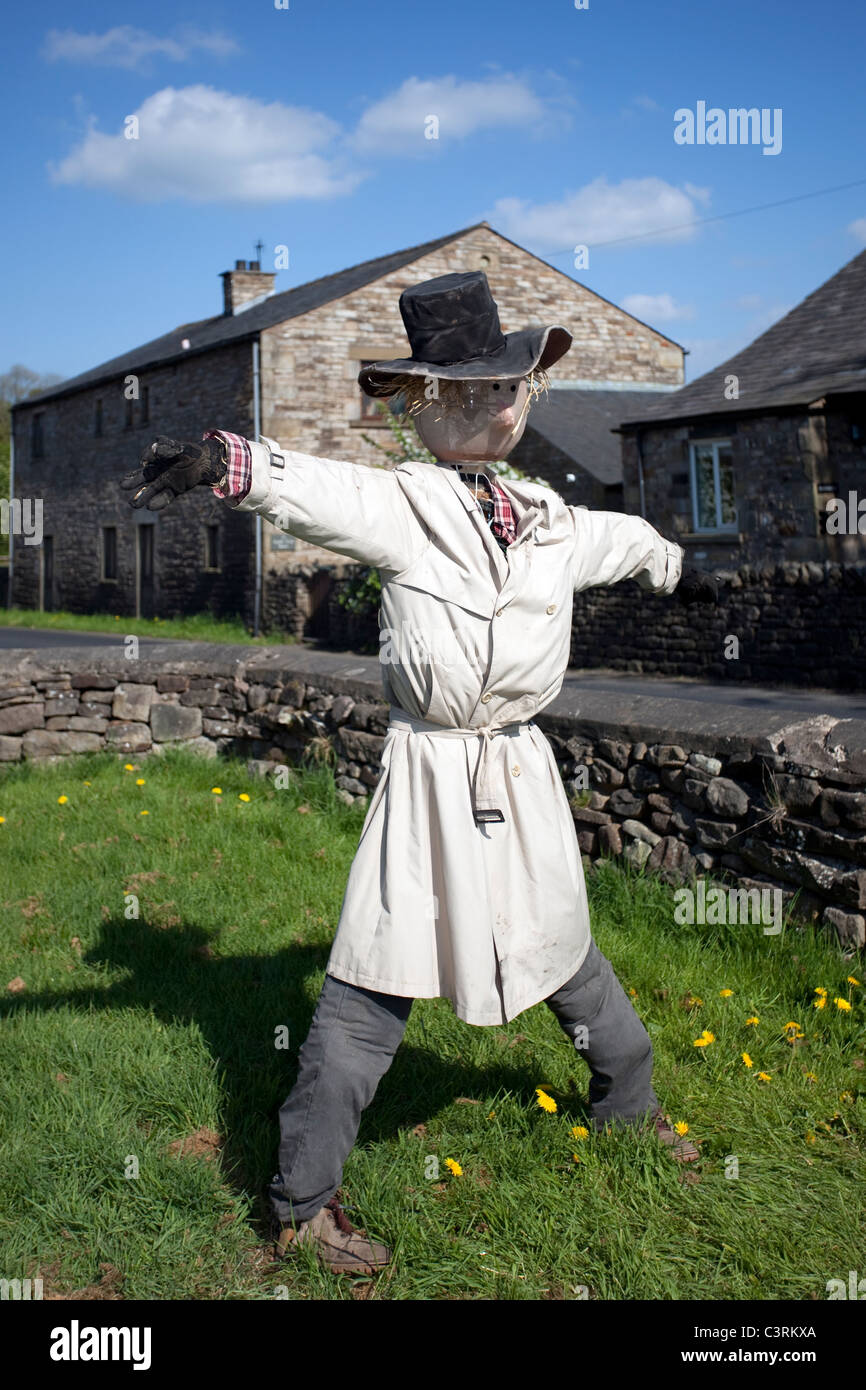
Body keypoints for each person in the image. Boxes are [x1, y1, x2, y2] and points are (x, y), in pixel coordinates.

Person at [122, 270, 719, 1276]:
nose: (490, 405)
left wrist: (674, 563)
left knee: (564, 948)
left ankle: (626, 1104)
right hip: (432, 778)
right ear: (420, 402)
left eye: (504, 387)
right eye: (463, 391)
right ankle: (303, 1203)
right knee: (370, 982)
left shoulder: (544, 514)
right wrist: (222, 462)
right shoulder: (399, 505)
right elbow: (313, 486)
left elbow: (619, 540)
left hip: (518, 777)